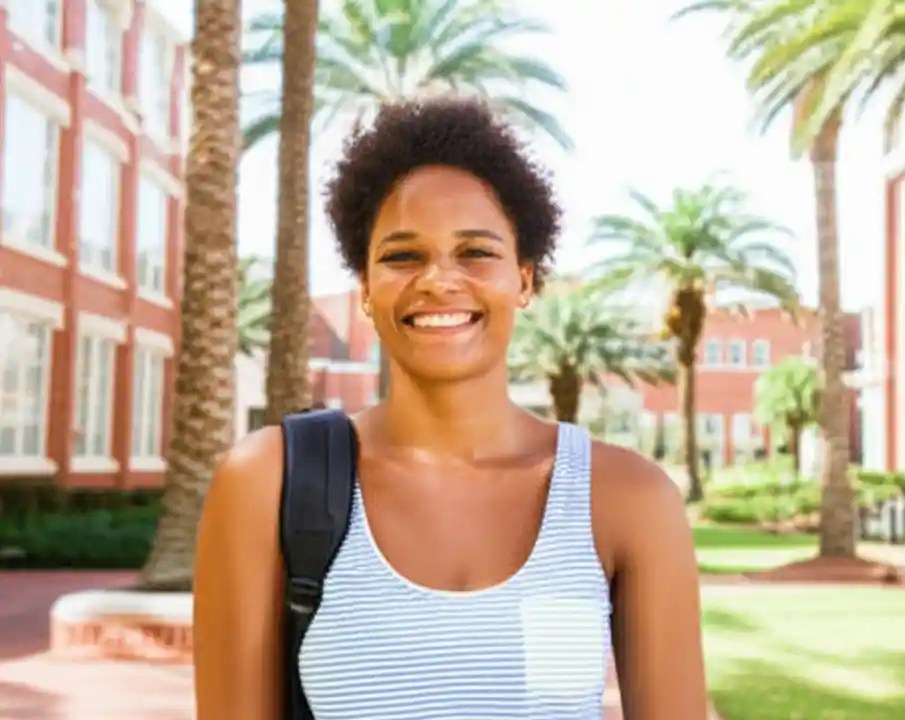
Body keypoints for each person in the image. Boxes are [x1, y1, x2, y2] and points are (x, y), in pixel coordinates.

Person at [192, 97, 707, 719]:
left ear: (524, 280)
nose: (438, 279)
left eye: (476, 252)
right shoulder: (269, 481)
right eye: (403, 256)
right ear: (365, 291)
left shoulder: (627, 499)